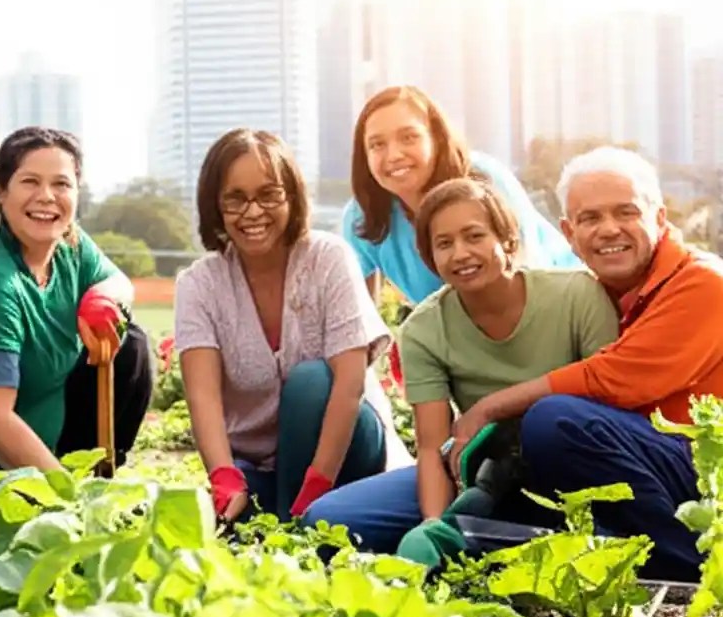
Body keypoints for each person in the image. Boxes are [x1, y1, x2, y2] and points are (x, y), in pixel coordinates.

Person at [436, 146, 720, 581]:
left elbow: (617, 378)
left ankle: (688, 568)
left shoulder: (703, 283)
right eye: (589, 218)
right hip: (652, 464)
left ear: (660, 219)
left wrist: (491, 406)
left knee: (558, 423)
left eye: (625, 212)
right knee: (520, 482)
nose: (608, 230)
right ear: (569, 234)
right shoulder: (592, 293)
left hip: (704, 476)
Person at [302, 177, 619, 567]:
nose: (461, 254)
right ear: (429, 257)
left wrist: (496, 410)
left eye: (474, 236)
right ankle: (476, 535)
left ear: (508, 241)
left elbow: (608, 406)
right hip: (478, 473)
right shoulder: (424, 329)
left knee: (602, 535)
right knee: (329, 519)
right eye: (444, 244)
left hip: (573, 472)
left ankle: (514, 539)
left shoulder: (577, 296)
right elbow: (434, 448)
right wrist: (434, 524)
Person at [173, 128, 401, 524]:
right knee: (219, 513)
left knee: (312, 380)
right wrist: (225, 477)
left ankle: (295, 523)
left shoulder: (328, 258)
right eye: (235, 199)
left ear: (291, 197)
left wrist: (316, 484)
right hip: (261, 467)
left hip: (345, 451)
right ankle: (282, 515)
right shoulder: (199, 284)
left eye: (269, 194)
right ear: (215, 205)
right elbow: (203, 396)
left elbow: (349, 384)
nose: (253, 212)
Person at [0, 126, 154, 472]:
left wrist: (103, 297)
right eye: (30, 181)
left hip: (49, 441)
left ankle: (97, 475)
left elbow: (117, 281)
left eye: (61, 184)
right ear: (0, 190)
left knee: (131, 343)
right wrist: (69, 501)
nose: (47, 196)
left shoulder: (70, 246)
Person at [342, 85, 579, 307]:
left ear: (436, 138)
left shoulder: (483, 179)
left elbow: (527, 273)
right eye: (377, 144)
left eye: (409, 138)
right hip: (453, 335)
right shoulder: (361, 214)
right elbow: (354, 310)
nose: (393, 155)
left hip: (554, 306)